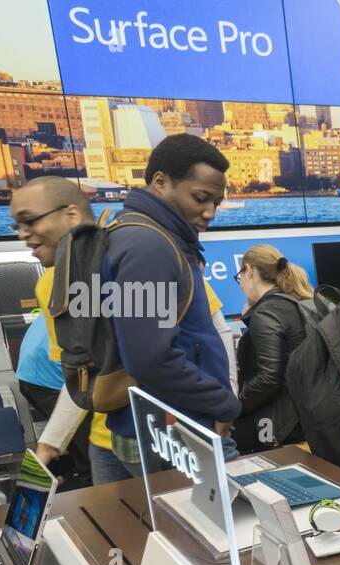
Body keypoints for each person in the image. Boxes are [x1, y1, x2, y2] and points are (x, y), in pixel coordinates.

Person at [100, 134, 241, 480]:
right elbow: (150, 358)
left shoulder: (141, 235)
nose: (209, 213)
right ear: (160, 181)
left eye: (216, 203)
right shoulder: (148, 247)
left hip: (167, 423)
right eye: (201, 198)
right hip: (174, 430)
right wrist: (224, 404)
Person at [9, 177, 95, 489]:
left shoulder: (132, 263)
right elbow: (77, 375)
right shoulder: (49, 284)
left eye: (29, 221)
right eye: (16, 225)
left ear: (71, 215)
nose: (22, 235)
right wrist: (46, 448)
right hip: (47, 376)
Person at [232, 244, 313, 453]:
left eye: (239, 276)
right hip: (307, 415)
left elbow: (269, 378)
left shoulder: (267, 312)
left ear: (249, 270)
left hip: (283, 423)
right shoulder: (294, 301)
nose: (240, 284)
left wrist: (235, 407)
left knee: (227, 440)